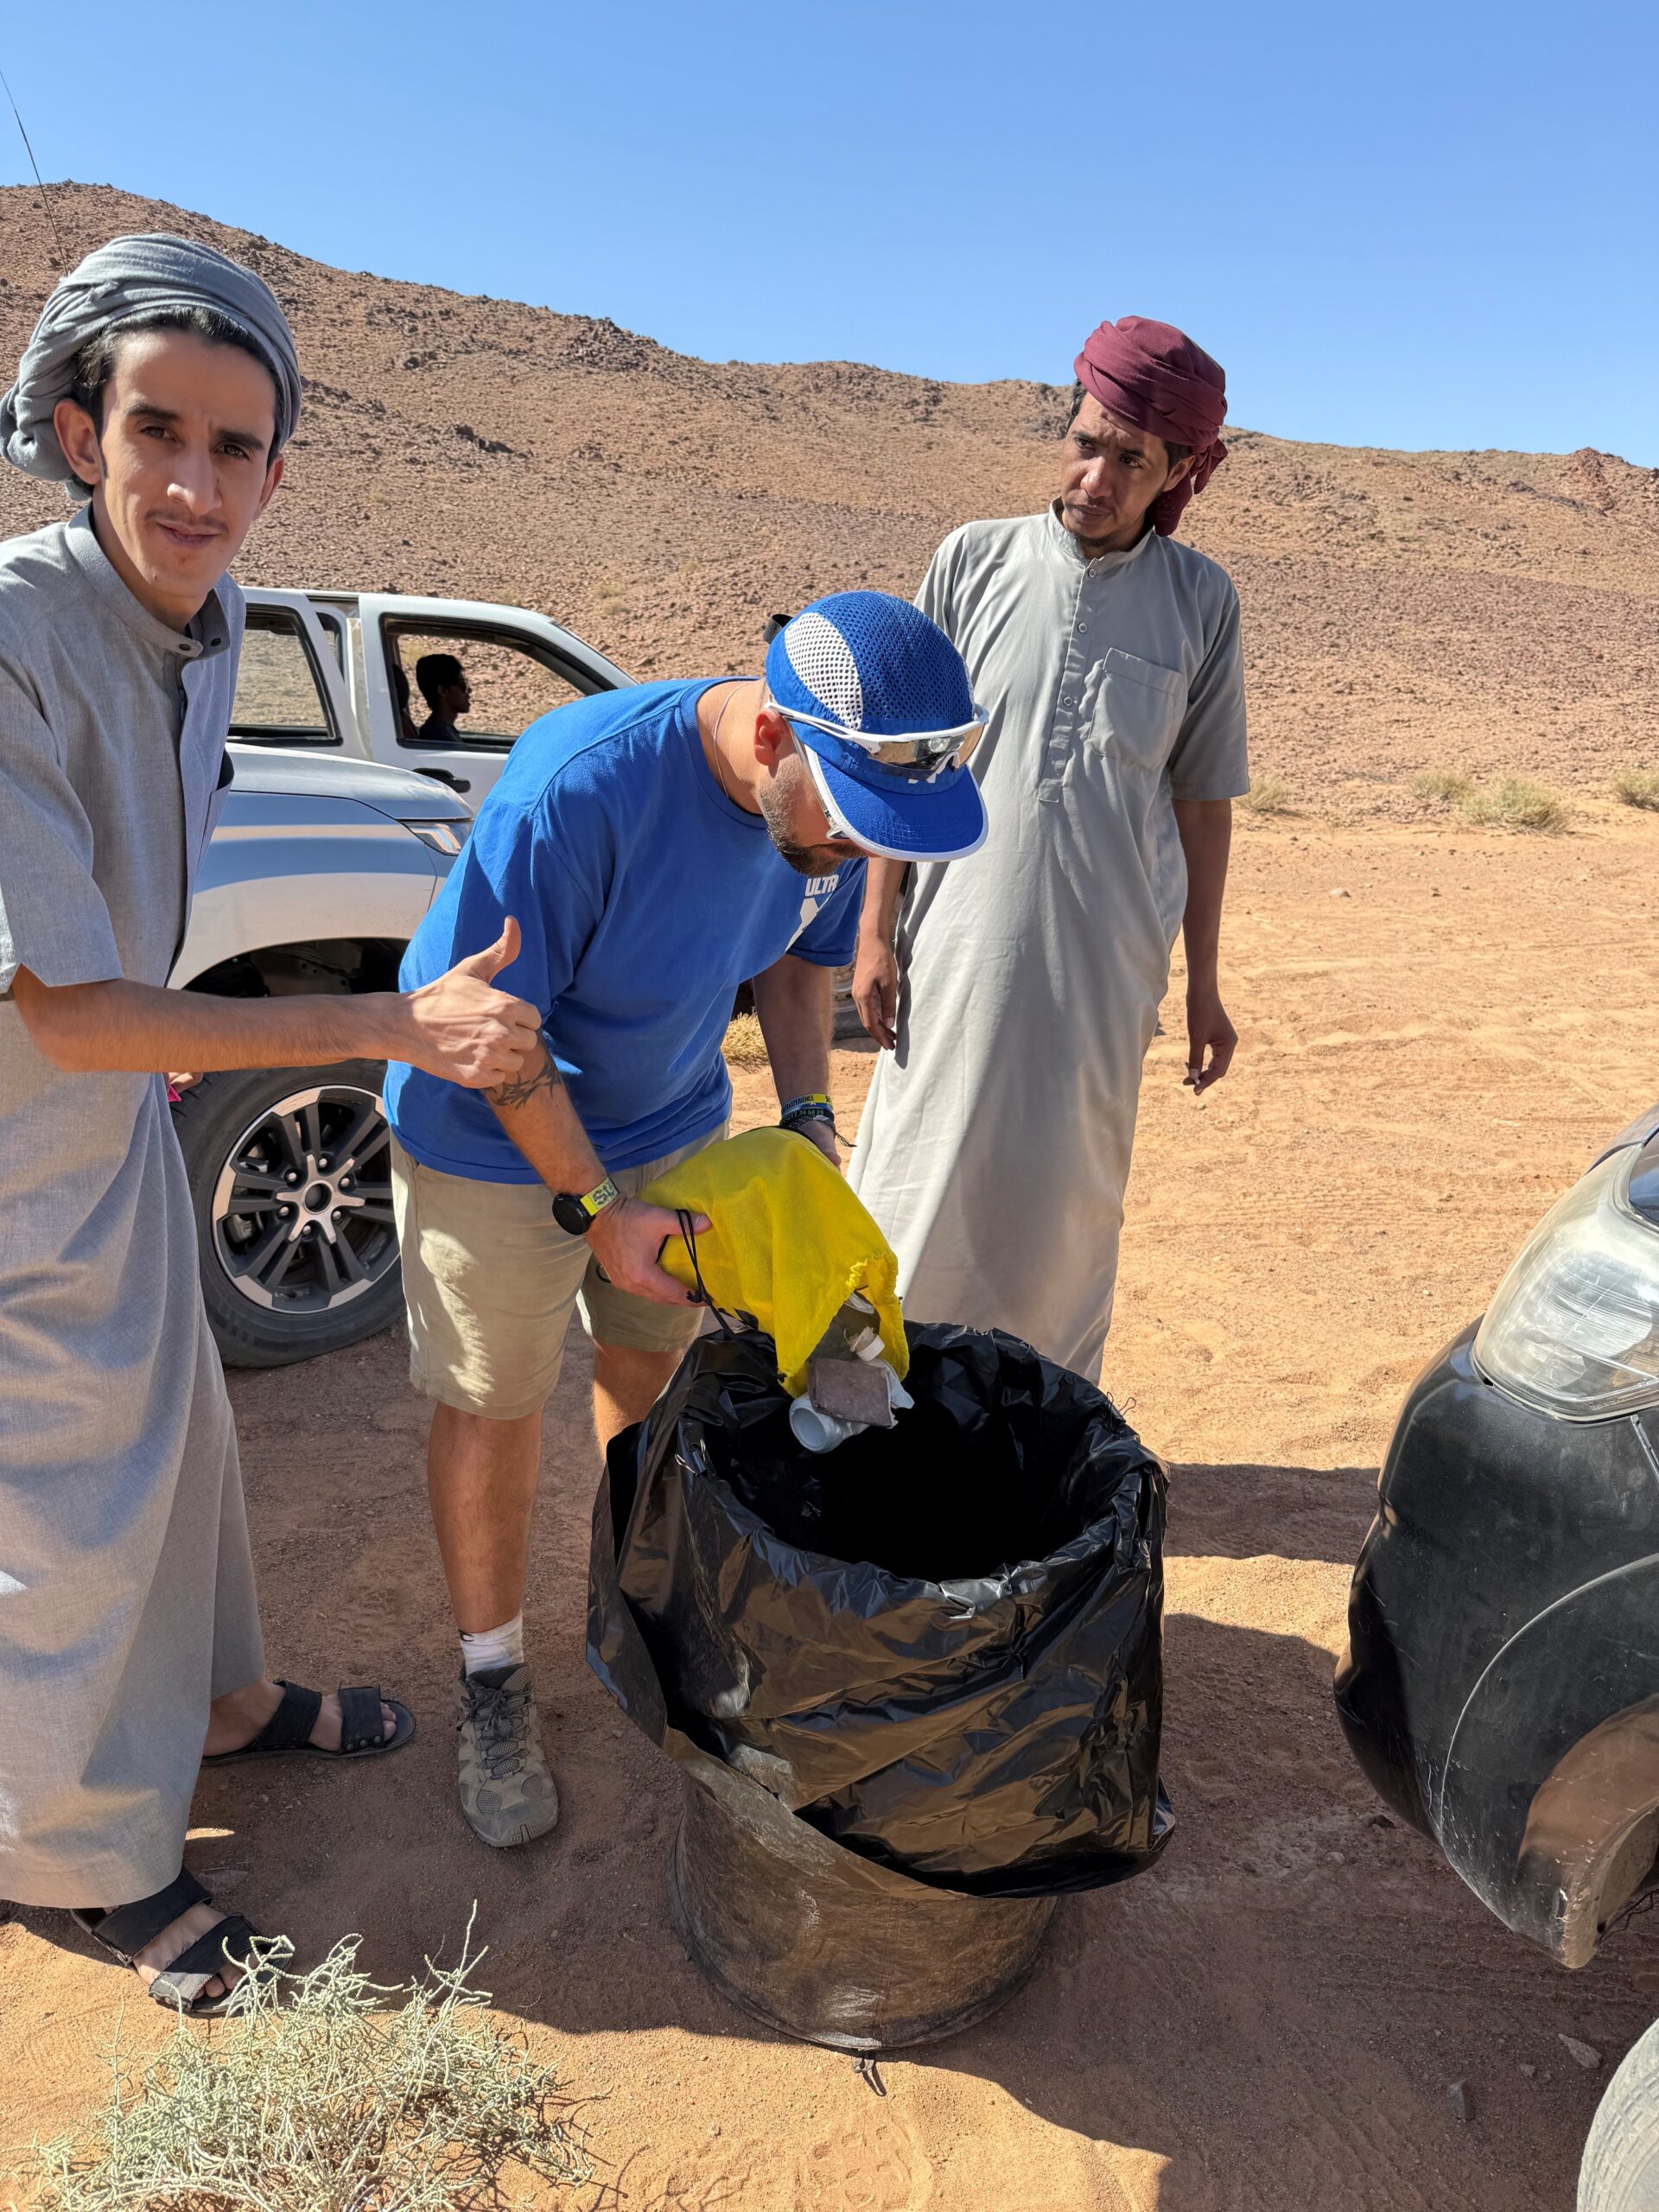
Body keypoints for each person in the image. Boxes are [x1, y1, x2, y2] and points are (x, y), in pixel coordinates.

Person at [0, 234, 542, 2014]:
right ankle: (83, 1856)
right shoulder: (12, 639)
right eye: (160, 430)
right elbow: (60, 1006)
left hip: (106, 1119)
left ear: (279, 471)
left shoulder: (215, 618)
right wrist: (387, 1018)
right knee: (64, 1499)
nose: (197, 481)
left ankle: (226, 1703)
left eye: (239, 448)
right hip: (19, 1139)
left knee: (190, 1447)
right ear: (82, 432)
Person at [383, 591, 987, 1850]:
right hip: (487, 1126)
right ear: (774, 736)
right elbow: (491, 1038)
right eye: (849, 823)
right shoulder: (579, 791)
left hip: (667, 1121)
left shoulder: (821, 817)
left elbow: (797, 956)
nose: (854, 852)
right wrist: (597, 1207)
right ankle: (493, 1678)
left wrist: (811, 1110)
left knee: (648, 1366)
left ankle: (633, 1597)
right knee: (494, 1401)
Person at [849, 315, 1248, 1382]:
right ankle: (867, 1399)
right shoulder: (971, 560)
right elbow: (908, 757)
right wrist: (874, 928)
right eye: (1085, 441)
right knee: (911, 1172)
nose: (1095, 475)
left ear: (1173, 475)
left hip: (1103, 965)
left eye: (1130, 459)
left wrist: (1204, 983)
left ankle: (1037, 1418)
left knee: (1064, 1203)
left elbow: (1204, 802)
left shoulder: (1201, 603)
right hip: (956, 943)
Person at [416, 652, 472, 744]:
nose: (469, 691)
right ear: (443, 691)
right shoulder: (438, 737)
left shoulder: (443, 730)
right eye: (463, 685)